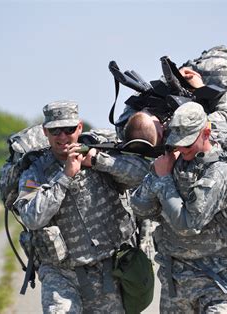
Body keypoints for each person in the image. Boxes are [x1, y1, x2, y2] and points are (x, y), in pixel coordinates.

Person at [14, 100, 149, 313]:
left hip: (107, 272)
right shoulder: (34, 173)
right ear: (45, 132)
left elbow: (144, 175)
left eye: (68, 129)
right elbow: (32, 218)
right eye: (55, 130)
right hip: (61, 274)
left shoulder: (99, 155)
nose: (62, 137)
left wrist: (98, 161)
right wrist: (65, 176)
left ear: (79, 128)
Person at [130, 101, 227, 313]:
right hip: (176, 283)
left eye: (188, 143)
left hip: (215, 283)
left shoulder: (220, 172)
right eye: (177, 142)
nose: (181, 148)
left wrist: (163, 180)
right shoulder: (172, 164)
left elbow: (187, 224)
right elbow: (140, 207)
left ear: (206, 133)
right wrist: (158, 174)